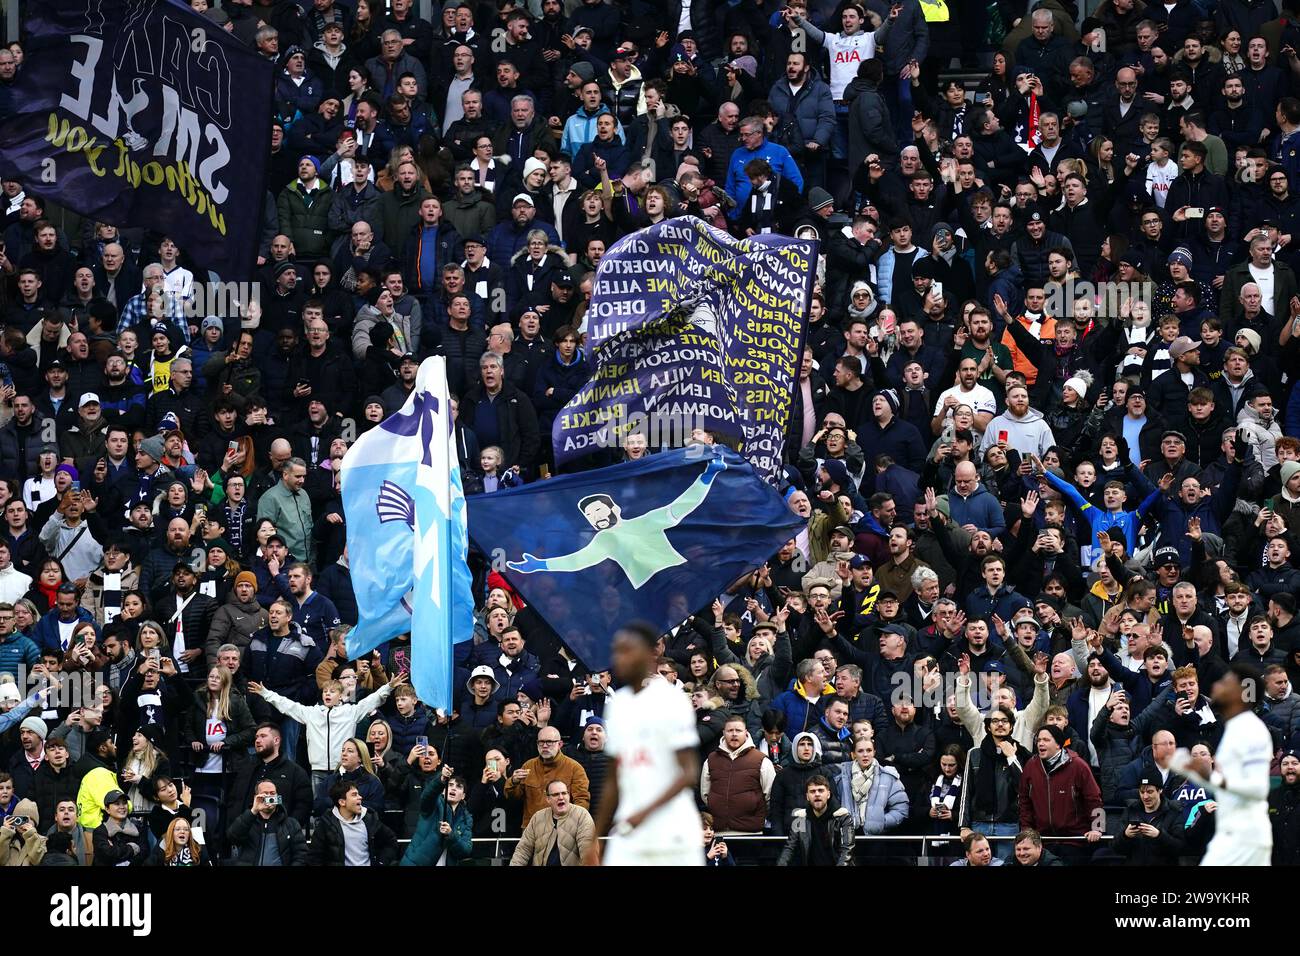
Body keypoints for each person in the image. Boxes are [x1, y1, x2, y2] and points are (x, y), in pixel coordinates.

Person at [587, 622, 703, 866]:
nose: (620, 658)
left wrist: (643, 814)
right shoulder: (618, 705)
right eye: (617, 651)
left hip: (672, 831)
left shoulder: (672, 700)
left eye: (628, 650)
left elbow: (689, 772)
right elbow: (612, 778)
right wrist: (595, 836)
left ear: (651, 653)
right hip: (629, 831)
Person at [1170, 662, 1273, 865]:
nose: (1216, 686)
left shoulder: (1252, 730)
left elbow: (1258, 789)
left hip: (1247, 835)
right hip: (1228, 831)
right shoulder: (1229, 727)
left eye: (1225, 683)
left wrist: (1209, 777)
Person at [306, 780, 399, 866]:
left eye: (358, 794)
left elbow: (391, 841)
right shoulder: (326, 824)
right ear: (342, 802)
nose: (360, 797)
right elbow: (314, 857)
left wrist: (381, 862)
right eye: (354, 795)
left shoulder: (370, 819)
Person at [510, 777, 595, 866]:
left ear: (569, 795)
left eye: (564, 793)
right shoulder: (538, 817)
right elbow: (523, 850)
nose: (561, 797)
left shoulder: (581, 815)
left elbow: (588, 851)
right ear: (548, 799)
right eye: (555, 794)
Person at [776, 774, 854, 866]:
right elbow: (790, 848)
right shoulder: (800, 819)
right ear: (807, 796)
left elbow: (846, 850)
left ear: (828, 794)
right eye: (812, 791)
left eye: (821, 791)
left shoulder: (843, 817)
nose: (817, 794)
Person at [225, 780, 308, 866]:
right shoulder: (248, 820)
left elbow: (301, 856)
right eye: (265, 794)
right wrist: (253, 811)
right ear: (256, 797)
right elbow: (232, 837)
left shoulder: (291, 824)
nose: (269, 797)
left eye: (272, 793)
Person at [401, 769, 473, 866]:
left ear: (463, 796)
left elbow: (465, 850)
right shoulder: (434, 804)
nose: (453, 788)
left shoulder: (466, 819)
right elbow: (427, 796)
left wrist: (451, 835)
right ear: (443, 790)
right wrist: (441, 780)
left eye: (459, 787)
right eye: (450, 785)